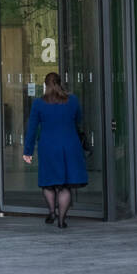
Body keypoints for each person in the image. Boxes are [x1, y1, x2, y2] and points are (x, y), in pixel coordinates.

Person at [22, 72, 88, 228]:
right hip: (70, 145)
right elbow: (79, 119)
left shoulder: (39, 103)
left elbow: (32, 129)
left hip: (48, 146)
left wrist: (28, 151)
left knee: (48, 183)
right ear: (60, 83)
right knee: (65, 185)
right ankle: (61, 220)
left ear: (45, 85)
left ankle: (52, 212)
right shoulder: (72, 100)